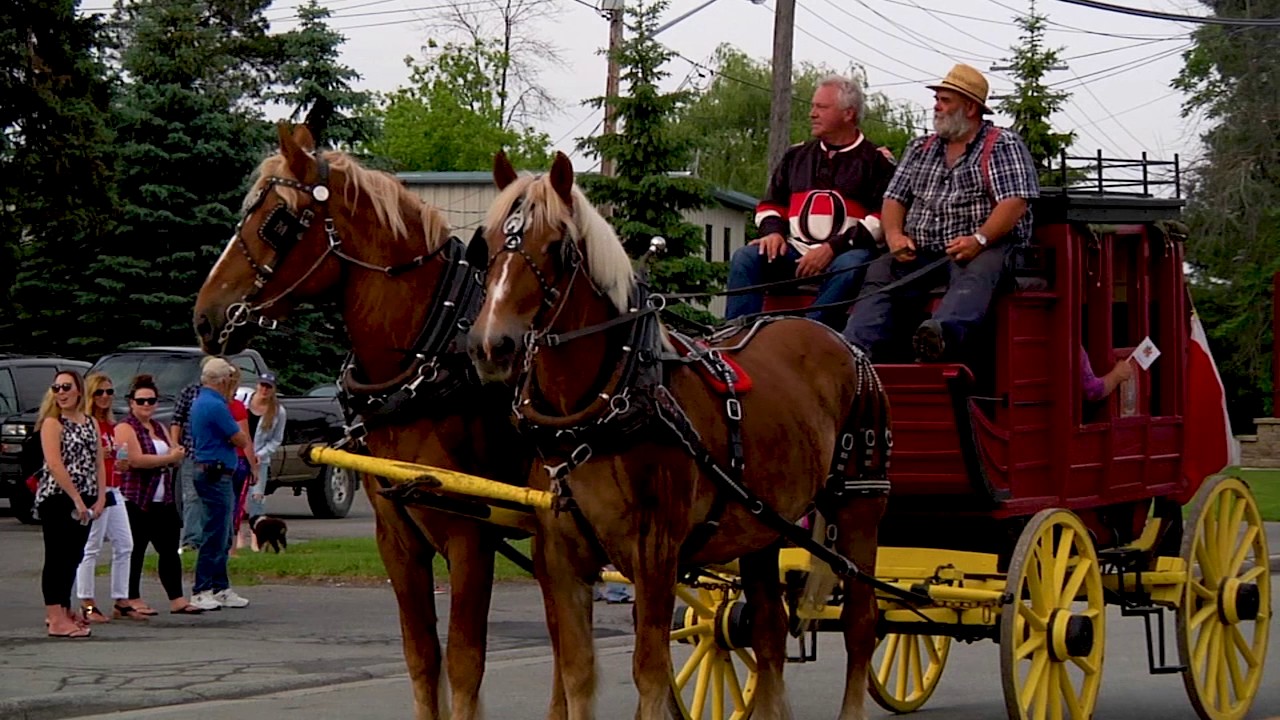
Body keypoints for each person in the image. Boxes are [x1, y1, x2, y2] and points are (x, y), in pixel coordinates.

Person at [843, 64, 1040, 362]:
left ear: (970, 108)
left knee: (977, 273)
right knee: (882, 271)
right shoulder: (920, 147)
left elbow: (1014, 202)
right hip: (922, 251)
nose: (936, 106)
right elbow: (894, 198)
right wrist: (895, 236)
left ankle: (939, 337)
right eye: (937, 99)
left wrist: (979, 239)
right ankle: (854, 350)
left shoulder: (1002, 144)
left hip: (980, 247)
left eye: (945, 100)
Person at [725, 73, 896, 329]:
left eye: (821, 107)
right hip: (794, 253)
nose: (812, 114)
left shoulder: (877, 163)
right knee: (745, 258)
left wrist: (831, 249)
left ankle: (809, 333)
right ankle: (737, 336)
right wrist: (773, 233)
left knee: (852, 265)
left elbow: (881, 220)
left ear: (848, 114)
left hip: (844, 255)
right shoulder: (796, 156)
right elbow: (770, 205)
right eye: (813, 106)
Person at [114, 375, 205, 616]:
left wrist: (176, 455)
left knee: (169, 550)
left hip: (163, 499)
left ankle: (177, 598)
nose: (146, 405)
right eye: (141, 401)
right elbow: (135, 460)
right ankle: (131, 597)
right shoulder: (126, 427)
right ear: (131, 402)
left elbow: (172, 452)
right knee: (135, 550)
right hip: (137, 499)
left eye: (151, 400)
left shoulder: (159, 427)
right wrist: (169, 458)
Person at [32, 370, 104, 638]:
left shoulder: (90, 422)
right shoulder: (53, 423)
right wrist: (75, 497)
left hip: (86, 495)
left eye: (66, 387)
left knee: (74, 556)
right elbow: (54, 464)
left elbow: (98, 462)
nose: (61, 393)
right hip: (58, 497)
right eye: (57, 388)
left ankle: (65, 609)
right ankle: (55, 616)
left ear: (79, 391)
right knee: (57, 556)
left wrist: (100, 497)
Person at [188, 357, 258, 610]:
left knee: (224, 531)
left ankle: (220, 586)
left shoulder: (204, 401)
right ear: (220, 380)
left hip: (213, 470)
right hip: (214, 472)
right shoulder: (215, 405)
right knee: (215, 533)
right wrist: (234, 439)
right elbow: (240, 438)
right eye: (228, 377)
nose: (231, 381)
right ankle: (202, 588)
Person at [73, 373, 135, 624]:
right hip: (94, 489)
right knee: (91, 546)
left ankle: (121, 599)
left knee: (125, 544)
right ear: (90, 395)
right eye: (99, 392)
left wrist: (121, 463)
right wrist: (102, 455)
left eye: (109, 392)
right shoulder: (86, 423)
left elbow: (114, 458)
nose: (105, 397)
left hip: (113, 487)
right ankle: (86, 603)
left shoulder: (109, 424)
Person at [241, 372, 286, 552]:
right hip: (239, 454)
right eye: (262, 385)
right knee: (236, 497)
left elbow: (276, 439)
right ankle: (236, 538)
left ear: (273, 389)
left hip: (259, 460)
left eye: (268, 387)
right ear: (257, 385)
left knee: (257, 497)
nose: (264, 390)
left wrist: (261, 453)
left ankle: (256, 537)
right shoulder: (242, 397)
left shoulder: (278, 412)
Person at [171, 374, 205, 552]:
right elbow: (177, 420)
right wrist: (175, 444)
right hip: (191, 452)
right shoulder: (190, 392)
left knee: (211, 498)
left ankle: (209, 538)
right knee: (191, 496)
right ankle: (191, 540)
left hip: (213, 456)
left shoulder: (224, 394)